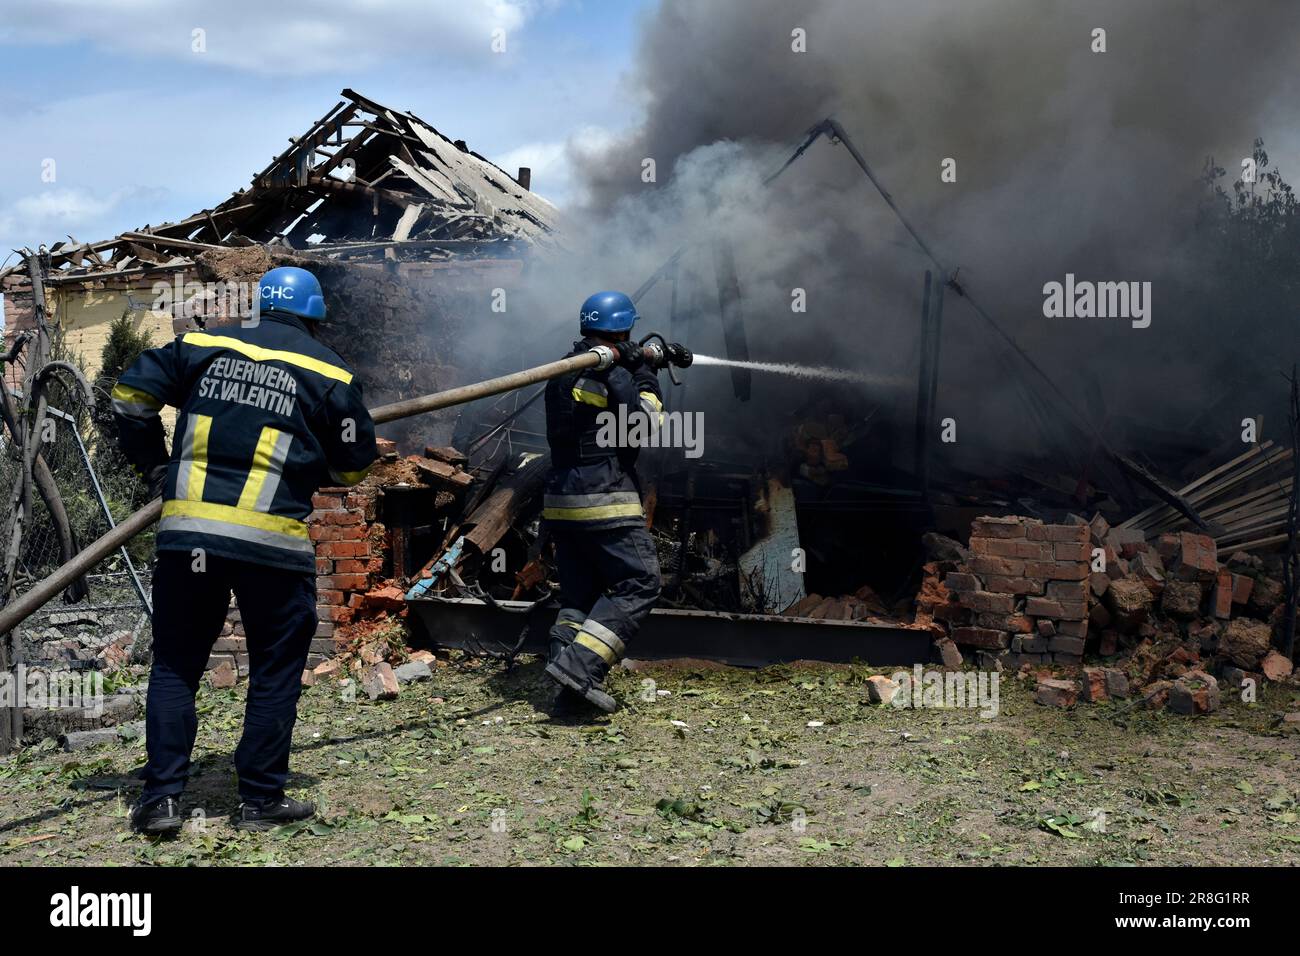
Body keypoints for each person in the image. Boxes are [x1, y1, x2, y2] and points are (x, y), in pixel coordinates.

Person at [112, 266, 377, 834]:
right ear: (313, 317)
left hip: (191, 538)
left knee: (176, 664)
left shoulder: (200, 347)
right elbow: (356, 466)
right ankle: (260, 801)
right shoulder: (330, 373)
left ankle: (160, 802)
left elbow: (130, 396)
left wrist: (154, 467)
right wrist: (310, 465)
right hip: (272, 546)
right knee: (275, 670)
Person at [542, 290, 663, 715]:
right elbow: (641, 426)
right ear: (623, 331)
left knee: (579, 596)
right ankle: (578, 669)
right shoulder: (607, 375)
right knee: (640, 582)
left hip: (561, 501)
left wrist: (631, 364)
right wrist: (644, 373)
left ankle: (565, 687)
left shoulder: (564, 369)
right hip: (603, 497)